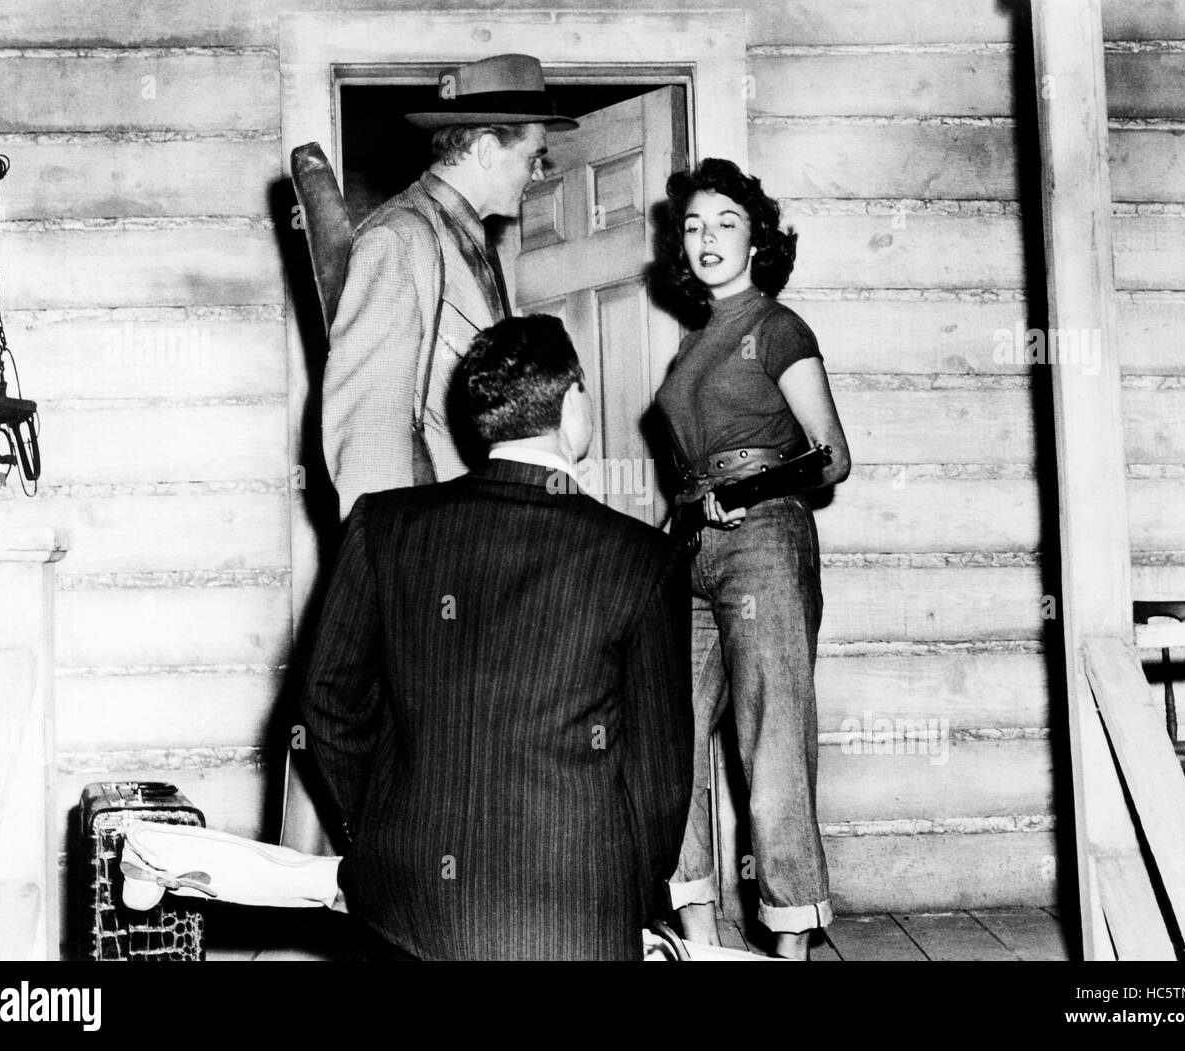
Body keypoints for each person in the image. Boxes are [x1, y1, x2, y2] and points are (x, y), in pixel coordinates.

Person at [302, 315, 694, 960]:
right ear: (572, 402)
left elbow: (328, 700)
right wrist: (631, 903)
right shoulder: (643, 559)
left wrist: (376, 821)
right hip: (568, 918)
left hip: (404, 907)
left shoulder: (384, 526)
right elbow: (658, 780)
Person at [653, 158, 852, 960]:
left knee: (770, 740)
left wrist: (750, 488)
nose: (707, 238)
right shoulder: (693, 344)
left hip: (764, 535)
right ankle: (698, 935)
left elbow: (831, 456)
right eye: (694, 225)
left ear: (756, 237)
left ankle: (791, 941)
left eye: (726, 223)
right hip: (691, 545)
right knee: (668, 737)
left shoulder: (777, 326)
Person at [322, 53, 577, 519]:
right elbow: (368, 428)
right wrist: (388, 558)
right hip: (431, 540)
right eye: (532, 156)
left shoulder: (467, 242)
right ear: (485, 150)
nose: (539, 174)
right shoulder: (399, 240)